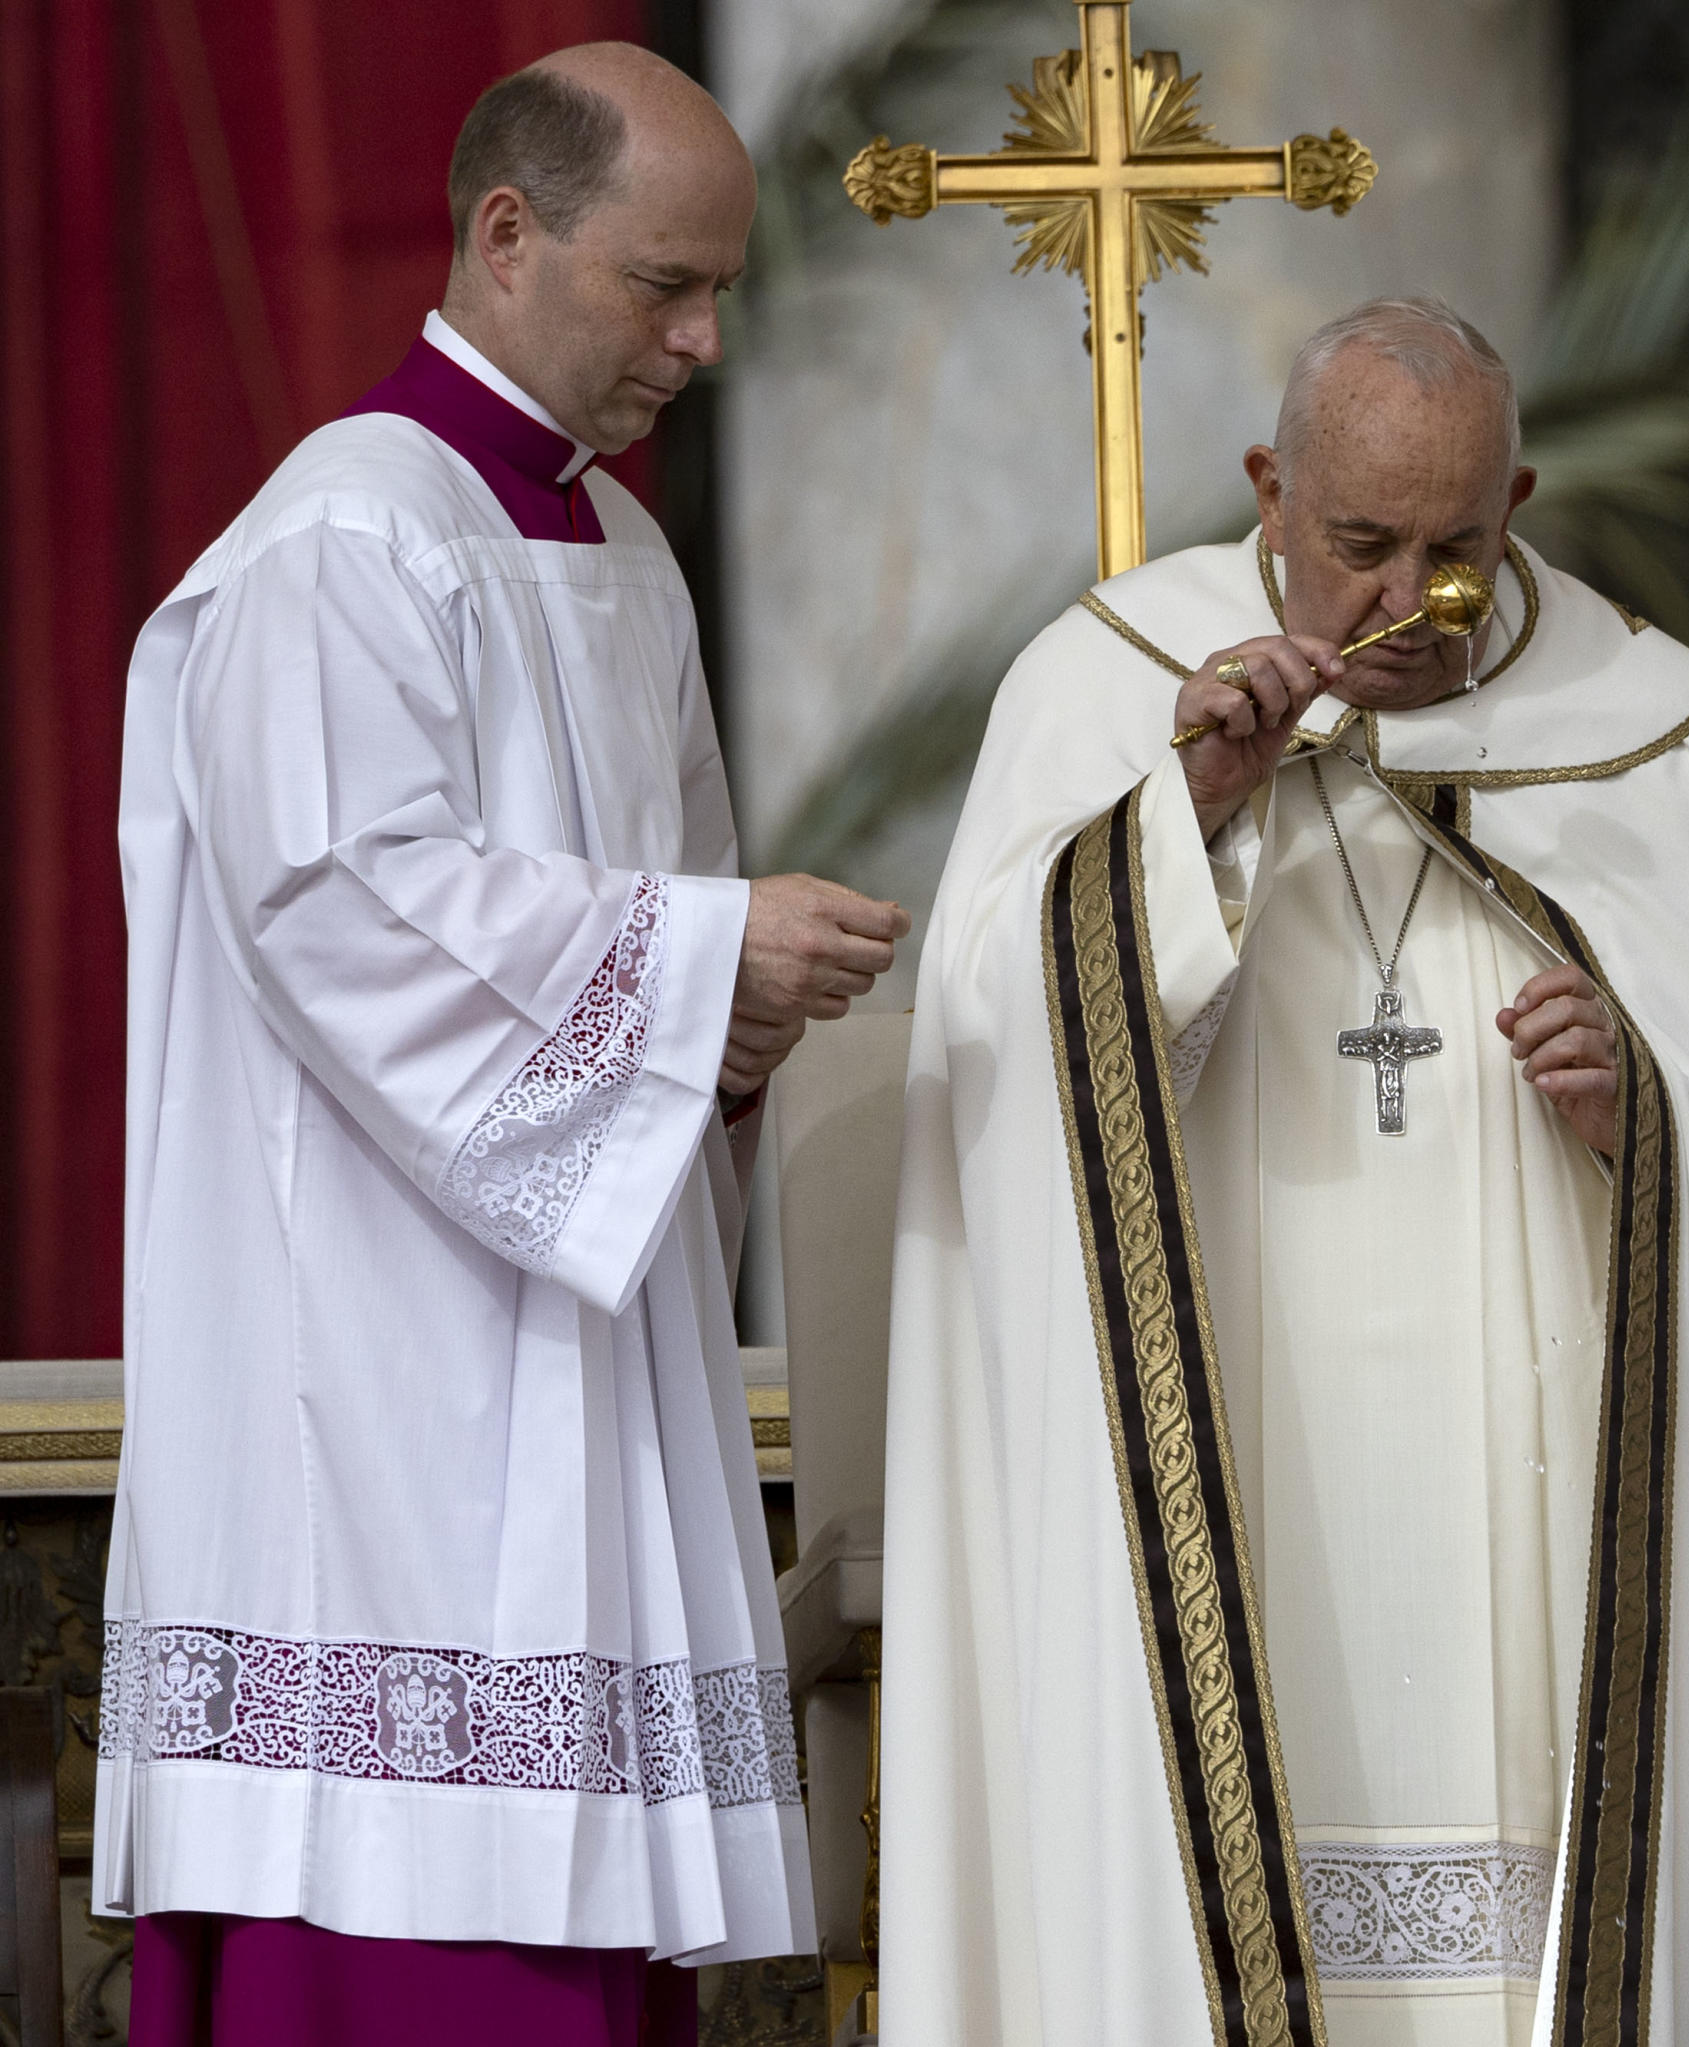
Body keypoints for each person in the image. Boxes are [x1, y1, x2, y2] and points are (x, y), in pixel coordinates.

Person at [878, 297, 1689, 2046]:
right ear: (1268, 487)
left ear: (1522, 497)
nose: (1409, 605)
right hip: (1233, 1454)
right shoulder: (1102, 686)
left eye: (1457, 547)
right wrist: (1194, 829)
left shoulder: (1654, 730)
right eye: (1360, 546)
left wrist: (1653, 1103)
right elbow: (990, 1059)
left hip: (1547, 1486)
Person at [102, 45, 908, 2044]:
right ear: (504, 233)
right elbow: (339, 910)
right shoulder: (340, 541)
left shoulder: (626, 562)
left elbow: (676, 913)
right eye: (666, 286)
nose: (705, 340)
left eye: (721, 292)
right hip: (382, 1416)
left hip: (574, 1376)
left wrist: (733, 1023)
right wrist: (708, 956)